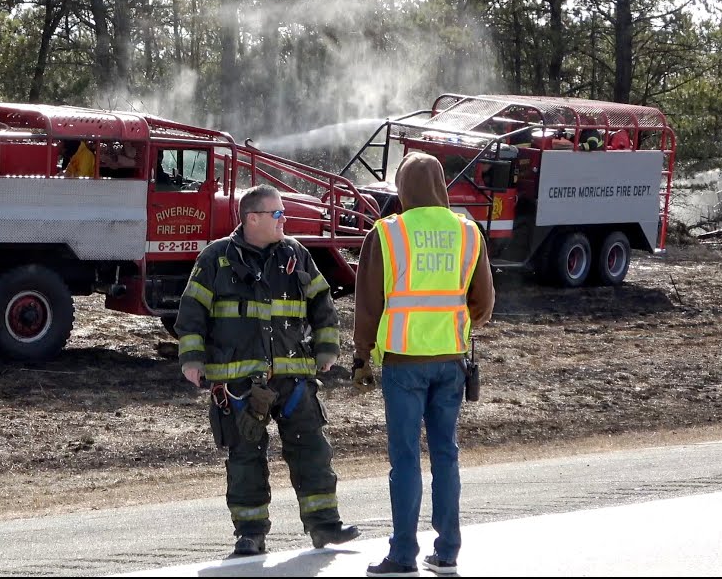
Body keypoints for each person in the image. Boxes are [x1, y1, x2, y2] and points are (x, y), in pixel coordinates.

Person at [175, 185, 361, 558]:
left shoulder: (296, 255)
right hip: (239, 384)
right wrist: (192, 359)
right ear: (252, 218)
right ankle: (250, 533)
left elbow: (322, 304)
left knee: (311, 450)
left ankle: (325, 527)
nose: (284, 220)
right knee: (245, 456)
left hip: (293, 380)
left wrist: (327, 348)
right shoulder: (215, 259)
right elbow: (191, 313)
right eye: (277, 214)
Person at [351, 152, 495, 578]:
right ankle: (448, 550)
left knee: (406, 458)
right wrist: (456, 327)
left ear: (402, 188)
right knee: (446, 455)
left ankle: (402, 554)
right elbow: (483, 304)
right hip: (451, 362)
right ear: (441, 186)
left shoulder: (388, 233)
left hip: (402, 364)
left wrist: (361, 356)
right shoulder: (468, 232)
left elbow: (368, 306)